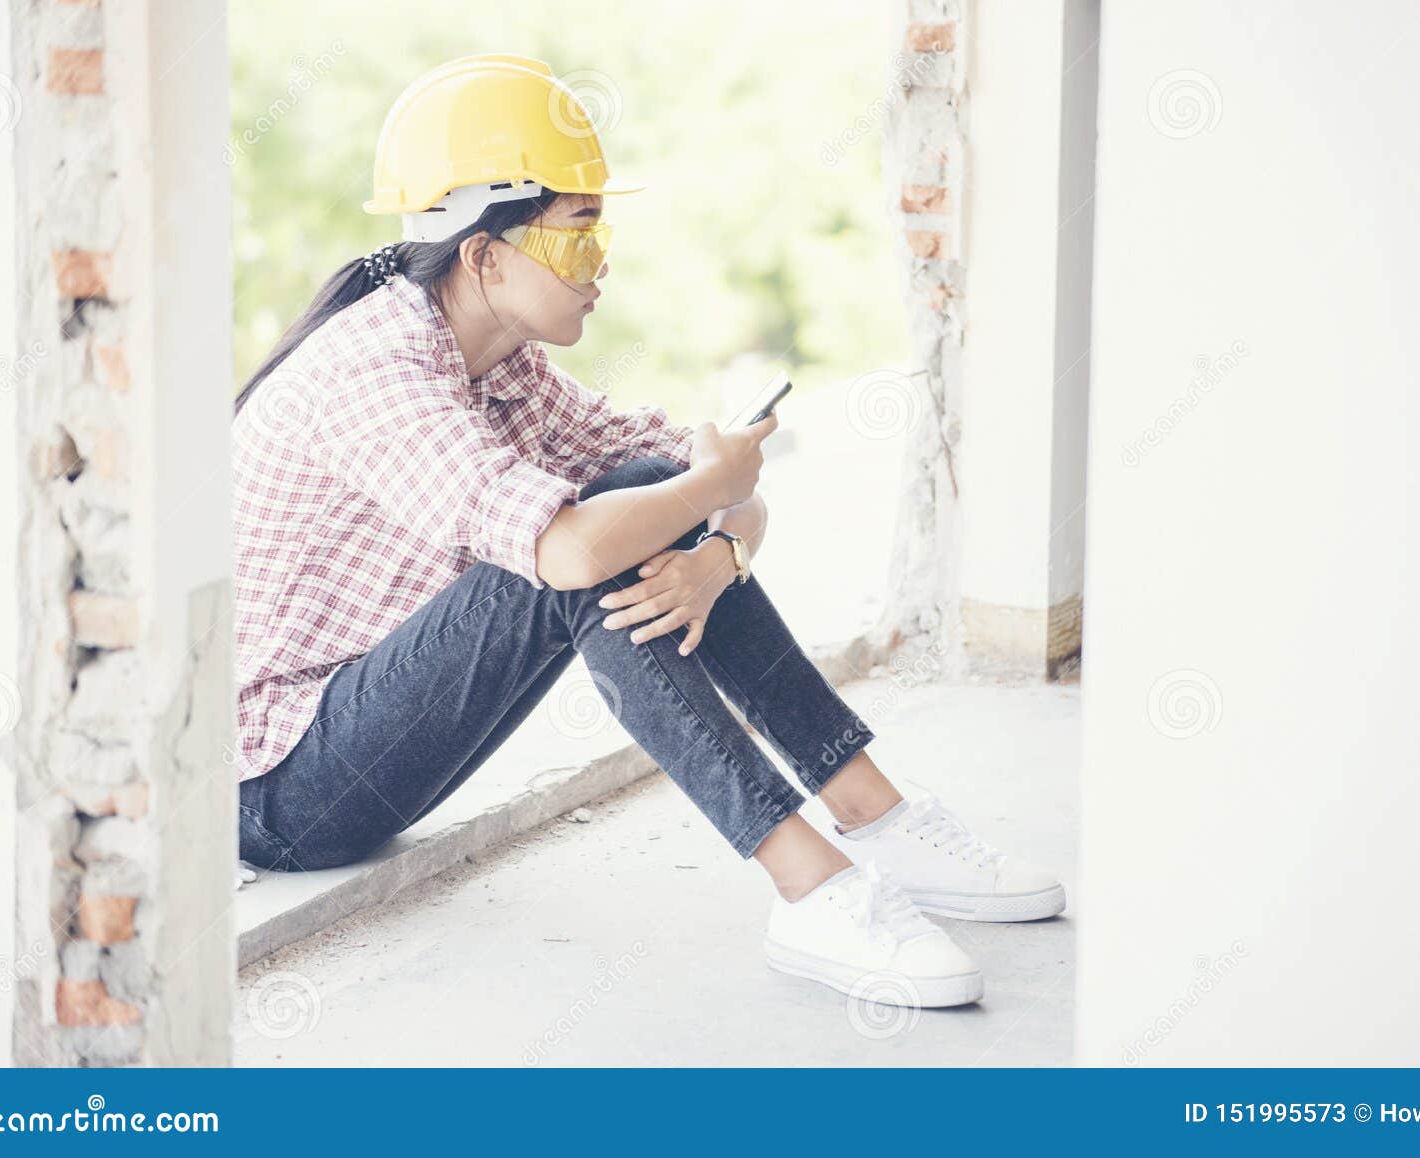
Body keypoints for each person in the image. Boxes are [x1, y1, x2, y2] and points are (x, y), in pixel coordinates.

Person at [232, 54, 1065, 1010]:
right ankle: (810, 885)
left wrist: (720, 554)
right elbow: (580, 548)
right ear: (484, 254)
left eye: (603, 231)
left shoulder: (506, 364)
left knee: (630, 506)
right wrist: (709, 490)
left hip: (372, 739)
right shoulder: (375, 368)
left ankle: (875, 817)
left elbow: (696, 478)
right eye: (578, 234)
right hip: (286, 790)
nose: (602, 265)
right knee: (582, 546)